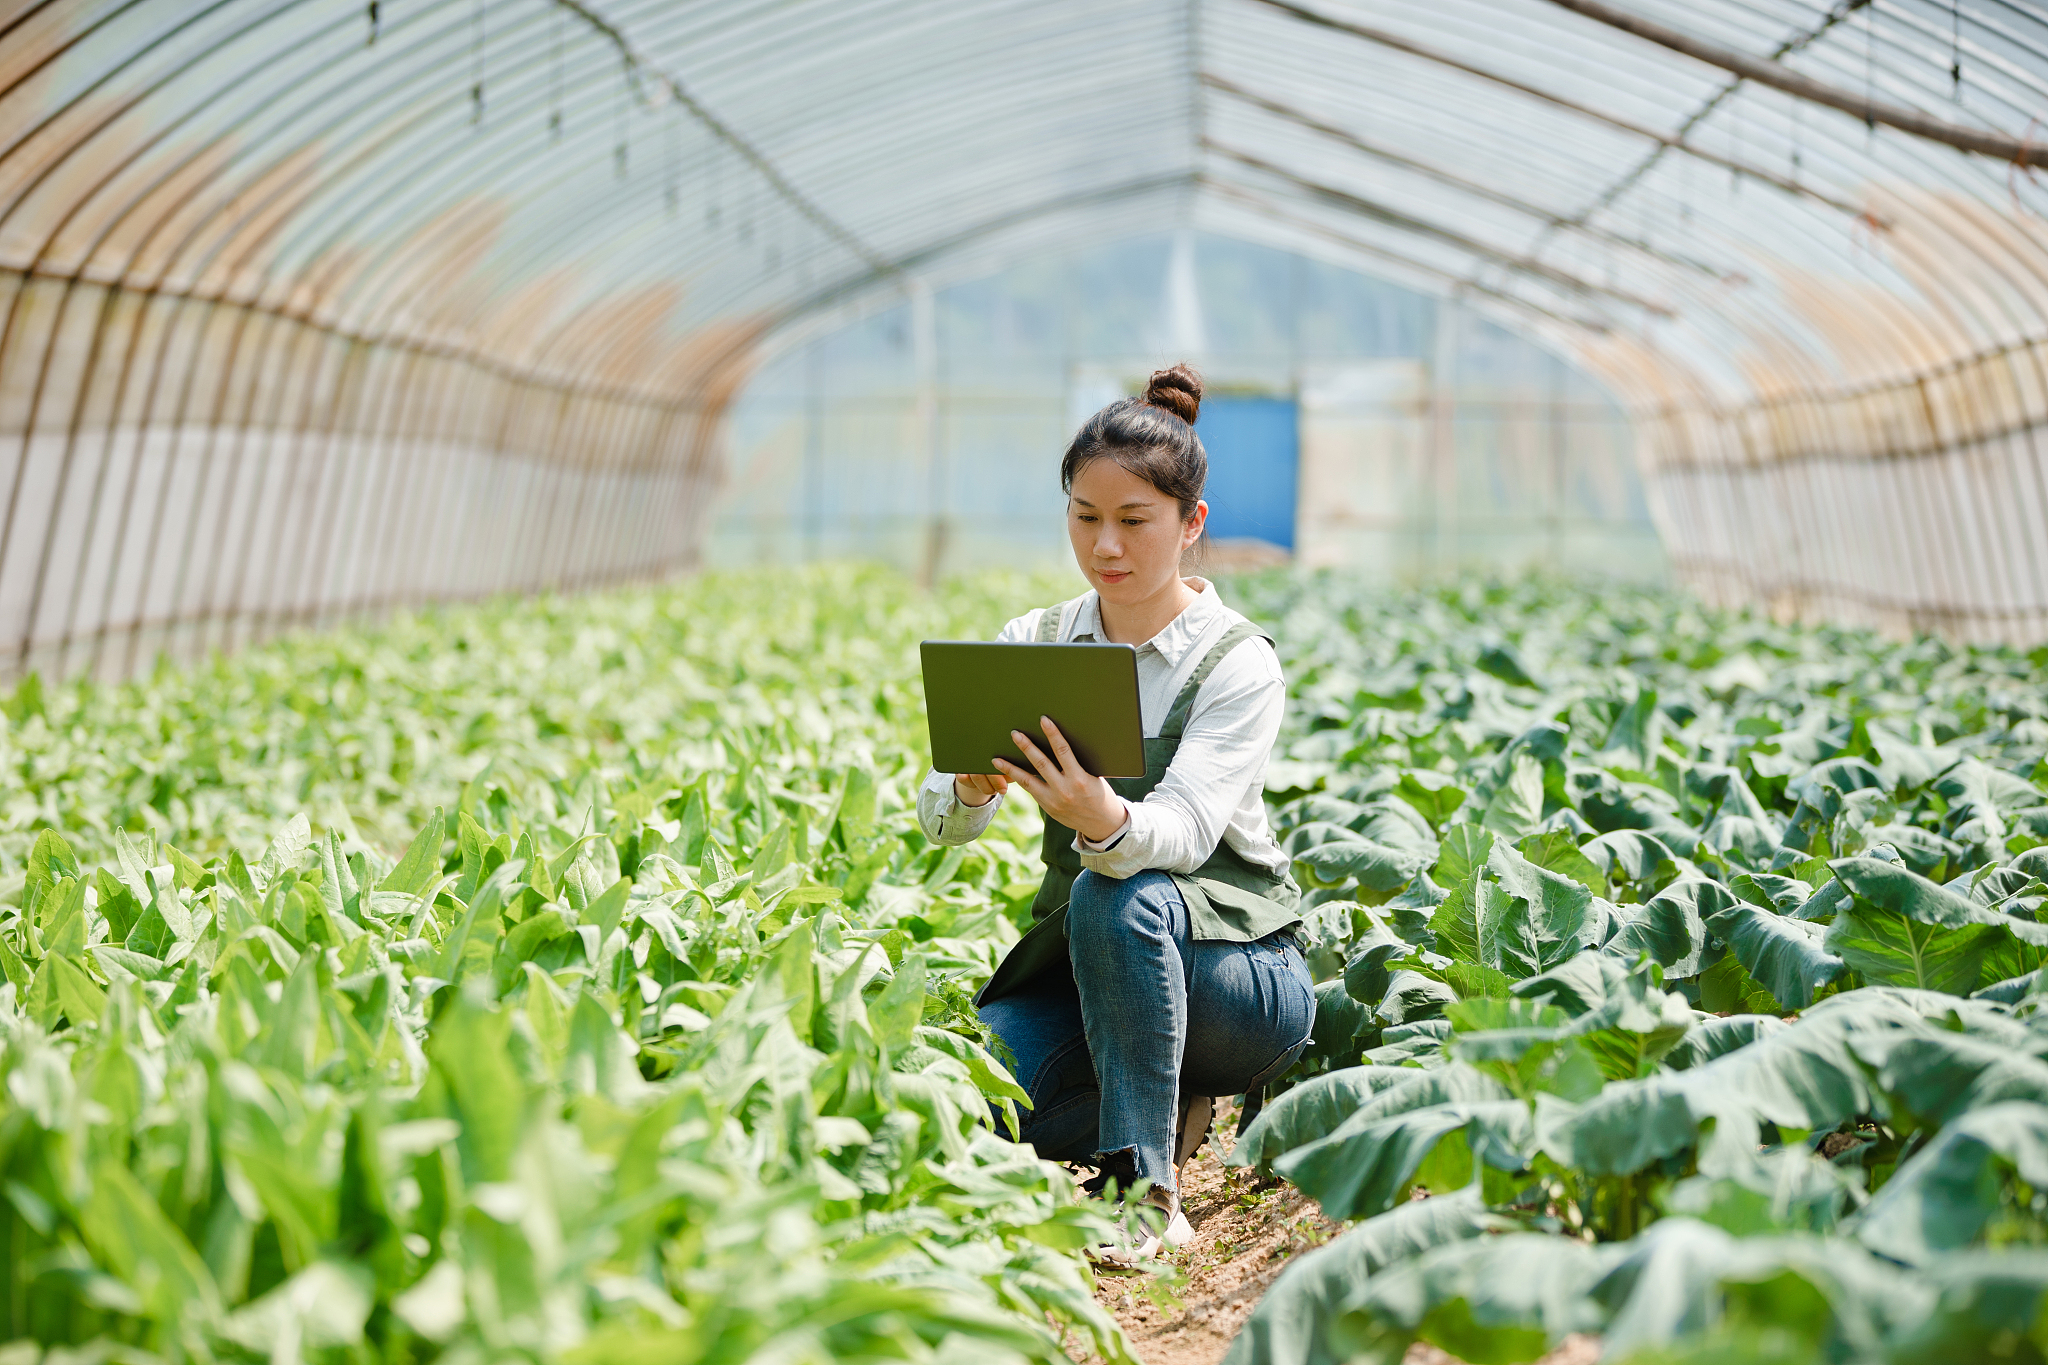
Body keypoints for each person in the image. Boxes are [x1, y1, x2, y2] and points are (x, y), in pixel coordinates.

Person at [915, 363, 1314, 1262]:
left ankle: (1145, 1189)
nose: (1106, 547)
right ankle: (1166, 1103)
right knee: (979, 1088)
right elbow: (938, 818)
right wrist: (970, 789)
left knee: (1114, 891)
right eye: (1085, 517)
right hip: (1099, 972)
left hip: (1238, 978)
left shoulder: (1235, 662)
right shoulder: (1038, 641)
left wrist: (1102, 816)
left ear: (1191, 523)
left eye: (1134, 521)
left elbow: (1183, 832)